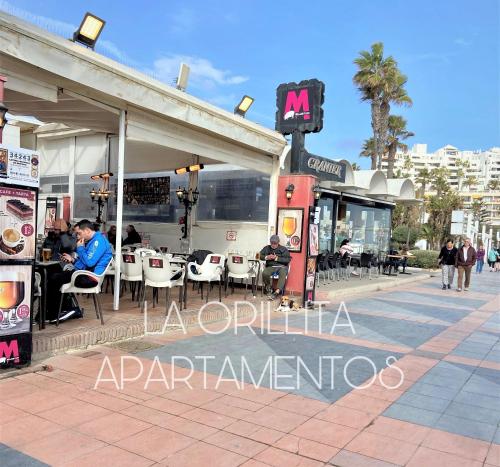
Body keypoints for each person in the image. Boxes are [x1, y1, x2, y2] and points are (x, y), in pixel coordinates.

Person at [46, 219, 112, 322]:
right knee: (53, 274)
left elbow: (89, 263)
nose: (77, 236)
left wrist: (80, 248)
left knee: (54, 278)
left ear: (87, 230)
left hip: (90, 278)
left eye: (79, 233)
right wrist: (73, 260)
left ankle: (56, 313)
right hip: (84, 274)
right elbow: (85, 263)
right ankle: (62, 310)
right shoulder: (92, 241)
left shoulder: (98, 241)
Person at [259, 235, 291, 300]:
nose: (273, 245)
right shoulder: (266, 248)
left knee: (283, 273)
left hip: (281, 266)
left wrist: (276, 258)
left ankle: (277, 292)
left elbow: (288, 259)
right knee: (265, 273)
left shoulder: (283, 249)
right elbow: (259, 255)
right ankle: (268, 288)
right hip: (271, 266)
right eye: (272, 243)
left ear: (278, 242)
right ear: (270, 242)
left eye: (275, 243)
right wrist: (267, 257)